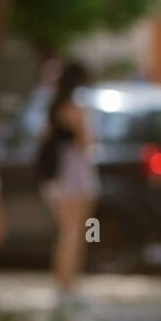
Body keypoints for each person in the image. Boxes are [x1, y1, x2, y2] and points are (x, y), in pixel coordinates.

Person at [36, 61, 100, 298]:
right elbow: (86, 143)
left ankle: (63, 282)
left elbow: (43, 139)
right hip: (75, 174)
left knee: (65, 231)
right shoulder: (75, 109)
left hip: (58, 174)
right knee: (73, 232)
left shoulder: (52, 108)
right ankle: (69, 284)